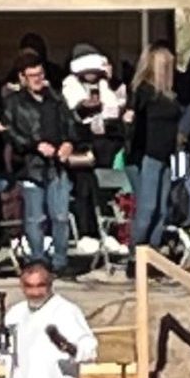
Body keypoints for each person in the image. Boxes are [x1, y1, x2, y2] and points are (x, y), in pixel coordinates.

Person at [4, 50, 75, 275]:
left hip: (57, 166)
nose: (38, 79)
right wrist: (35, 145)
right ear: (22, 77)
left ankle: (61, 261)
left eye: (40, 74)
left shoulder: (56, 99)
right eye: (33, 75)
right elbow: (11, 133)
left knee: (60, 216)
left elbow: (71, 124)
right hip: (31, 167)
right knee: (35, 219)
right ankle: (37, 261)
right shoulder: (13, 103)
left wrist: (69, 143)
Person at [61, 45, 126, 257]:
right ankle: (87, 232)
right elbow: (77, 108)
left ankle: (108, 232)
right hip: (81, 146)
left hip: (106, 145)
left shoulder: (108, 85)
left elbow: (115, 108)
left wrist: (109, 83)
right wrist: (90, 105)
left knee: (107, 191)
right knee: (84, 189)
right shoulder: (70, 85)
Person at [124, 45, 181, 255]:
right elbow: (133, 123)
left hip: (165, 156)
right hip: (147, 155)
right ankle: (136, 253)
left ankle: (153, 253)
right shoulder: (144, 91)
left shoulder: (170, 95)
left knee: (162, 209)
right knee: (147, 208)